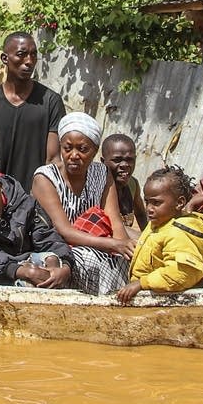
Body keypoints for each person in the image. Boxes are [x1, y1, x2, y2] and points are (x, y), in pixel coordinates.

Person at [30, 112, 134, 296]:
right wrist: (112, 245)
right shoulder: (45, 177)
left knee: (127, 257)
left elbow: (114, 220)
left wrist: (123, 247)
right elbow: (64, 231)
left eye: (82, 149)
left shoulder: (102, 173)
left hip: (100, 242)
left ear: (95, 151)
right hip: (59, 247)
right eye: (67, 148)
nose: (73, 155)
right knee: (89, 258)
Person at [115, 166, 203, 303]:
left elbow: (181, 274)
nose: (149, 209)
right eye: (147, 202)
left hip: (166, 304)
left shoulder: (177, 234)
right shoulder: (158, 224)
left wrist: (142, 283)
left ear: (179, 203)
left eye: (156, 203)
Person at [0, 163, 73, 288]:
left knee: (53, 265)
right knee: (28, 284)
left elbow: (48, 237)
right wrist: (22, 271)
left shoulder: (26, 205)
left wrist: (60, 267)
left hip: (31, 263)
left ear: (0, 187)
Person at [0, 32, 67, 178]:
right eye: (21, 54)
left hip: (40, 193)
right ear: (5, 58)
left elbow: (53, 159)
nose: (29, 61)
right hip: (5, 193)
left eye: (33, 55)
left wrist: (47, 192)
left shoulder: (51, 101)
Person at [102, 133, 141, 227]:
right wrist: (145, 240)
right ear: (103, 162)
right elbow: (115, 228)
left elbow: (140, 214)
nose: (124, 165)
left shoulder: (132, 184)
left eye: (129, 160)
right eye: (117, 160)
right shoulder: (98, 189)